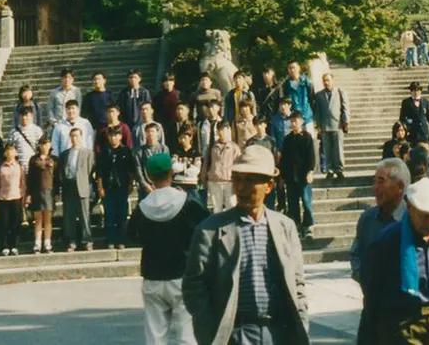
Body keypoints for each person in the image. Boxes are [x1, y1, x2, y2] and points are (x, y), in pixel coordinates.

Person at [183, 144, 309, 345]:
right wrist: (209, 329)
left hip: (279, 333)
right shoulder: (210, 230)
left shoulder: (285, 227)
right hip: (235, 333)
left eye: (250, 181)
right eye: (237, 179)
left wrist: (301, 319)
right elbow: (193, 286)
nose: (240, 188)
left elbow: (298, 282)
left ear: (269, 185)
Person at [361, 177, 429, 344]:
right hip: (401, 320)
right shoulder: (388, 240)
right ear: (409, 208)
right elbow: (372, 288)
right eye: (424, 216)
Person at [128, 151, 210, 345]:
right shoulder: (186, 202)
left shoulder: (143, 207)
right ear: (171, 173)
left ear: (149, 176)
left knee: (155, 336)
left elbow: (131, 235)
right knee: (187, 336)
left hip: (152, 276)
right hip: (181, 274)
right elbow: (207, 226)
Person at [350, 158, 410, 343]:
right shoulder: (368, 219)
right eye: (374, 181)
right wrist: (368, 279)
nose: (375, 187)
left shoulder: (413, 220)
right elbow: (356, 254)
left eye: (381, 181)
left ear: (400, 186)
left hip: (405, 316)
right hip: (372, 312)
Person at [58, 126, 97, 252]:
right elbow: (61, 172)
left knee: (84, 216)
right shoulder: (64, 154)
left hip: (82, 186)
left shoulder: (88, 153)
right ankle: (71, 241)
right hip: (69, 186)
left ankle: (87, 240)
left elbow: (91, 170)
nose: (75, 138)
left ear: (81, 137)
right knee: (69, 216)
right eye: (73, 136)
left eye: (77, 136)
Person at [280, 111, 316, 238]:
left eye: (295, 121)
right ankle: (297, 227)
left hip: (303, 175)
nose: (293, 123)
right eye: (292, 121)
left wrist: (310, 171)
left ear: (301, 121)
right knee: (293, 204)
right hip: (291, 177)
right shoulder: (287, 139)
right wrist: (283, 177)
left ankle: (308, 226)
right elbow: (283, 159)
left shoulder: (307, 137)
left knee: (306, 202)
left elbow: (311, 156)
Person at [313, 72, 350, 180]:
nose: (326, 82)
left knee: (338, 149)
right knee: (327, 149)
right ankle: (329, 170)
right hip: (325, 125)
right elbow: (317, 111)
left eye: (328, 80)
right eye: (324, 80)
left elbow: (345, 108)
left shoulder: (339, 92)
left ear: (332, 81)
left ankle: (339, 169)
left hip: (337, 124)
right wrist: (318, 125)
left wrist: (346, 122)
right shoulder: (319, 95)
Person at [0, 142, 25, 256]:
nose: (10, 153)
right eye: (8, 151)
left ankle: (14, 245)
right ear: (4, 153)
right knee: (4, 224)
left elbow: (22, 184)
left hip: (16, 197)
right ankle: (4, 245)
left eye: (12, 150)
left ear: (16, 153)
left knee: (15, 223)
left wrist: (24, 199)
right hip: (3, 198)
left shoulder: (19, 167)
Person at [27, 136, 56, 254]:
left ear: (50, 145)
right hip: (37, 191)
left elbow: (57, 177)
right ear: (39, 146)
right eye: (42, 144)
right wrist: (29, 193)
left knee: (48, 219)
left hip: (50, 191)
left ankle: (47, 242)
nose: (45, 146)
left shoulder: (54, 159)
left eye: (47, 144)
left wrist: (57, 192)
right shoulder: (33, 159)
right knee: (38, 219)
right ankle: (37, 243)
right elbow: (30, 178)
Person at [203, 121, 239, 213]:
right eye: (219, 130)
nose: (221, 132)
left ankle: (231, 227)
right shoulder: (212, 146)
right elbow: (207, 162)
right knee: (216, 208)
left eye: (224, 129)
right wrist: (204, 175)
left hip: (229, 181)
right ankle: (217, 227)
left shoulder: (234, 147)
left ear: (228, 130)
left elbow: (239, 165)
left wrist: (238, 180)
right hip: (214, 181)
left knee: (231, 206)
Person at [137, 122, 171, 200]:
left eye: (152, 131)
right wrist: (146, 186)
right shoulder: (139, 151)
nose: (150, 134)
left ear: (157, 133)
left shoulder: (164, 149)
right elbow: (139, 171)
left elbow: (166, 169)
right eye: (148, 132)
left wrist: (160, 185)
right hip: (146, 188)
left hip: (161, 186)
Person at [173, 127, 204, 204]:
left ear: (190, 137)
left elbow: (196, 170)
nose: (182, 140)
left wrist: (181, 168)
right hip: (178, 184)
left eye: (185, 137)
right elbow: (173, 167)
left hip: (191, 185)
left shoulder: (196, 153)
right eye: (181, 138)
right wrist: (187, 166)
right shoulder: (176, 152)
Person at [9, 105, 44, 170]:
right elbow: (10, 149)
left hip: (34, 166)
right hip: (19, 167)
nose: (24, 118)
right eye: (22, 115)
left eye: (26, 115)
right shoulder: (14, 132)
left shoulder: (37, 130)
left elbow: (41, 149)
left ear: (32, 116)